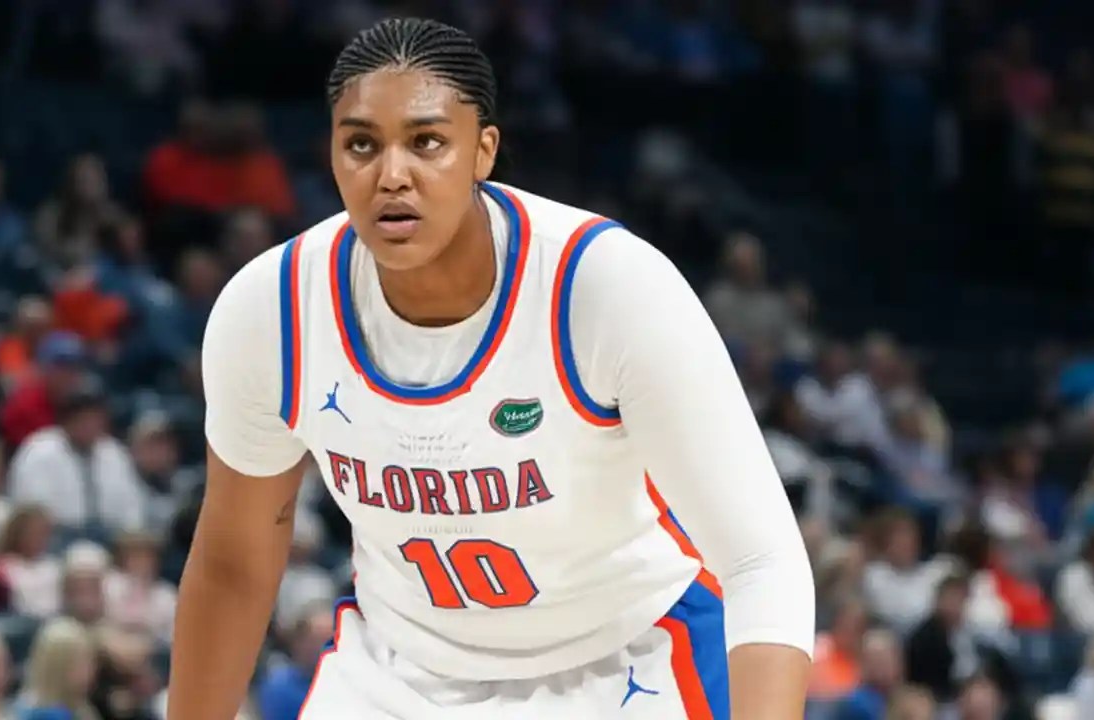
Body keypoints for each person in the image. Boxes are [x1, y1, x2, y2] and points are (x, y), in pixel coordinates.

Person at [170, 17, 813, 720]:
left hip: (628, 662)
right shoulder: (271, 312)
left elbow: (762, 562)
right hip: (399, 673)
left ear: (483, 151)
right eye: (360, 144)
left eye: (426, 143)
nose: (391, 175)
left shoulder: (604, 285)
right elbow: (233, 566)